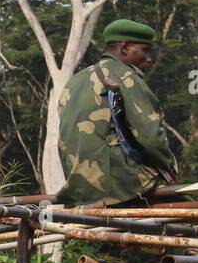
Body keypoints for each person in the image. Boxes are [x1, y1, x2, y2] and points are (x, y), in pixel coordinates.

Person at [55, 18, 178, 207]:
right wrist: (170, 169)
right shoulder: (126, 76)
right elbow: (151, 138)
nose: (149, 58)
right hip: (118, 187)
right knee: (185, 210)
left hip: (78, 188)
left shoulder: (74, 81)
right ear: (125, 47)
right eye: (145, 50)